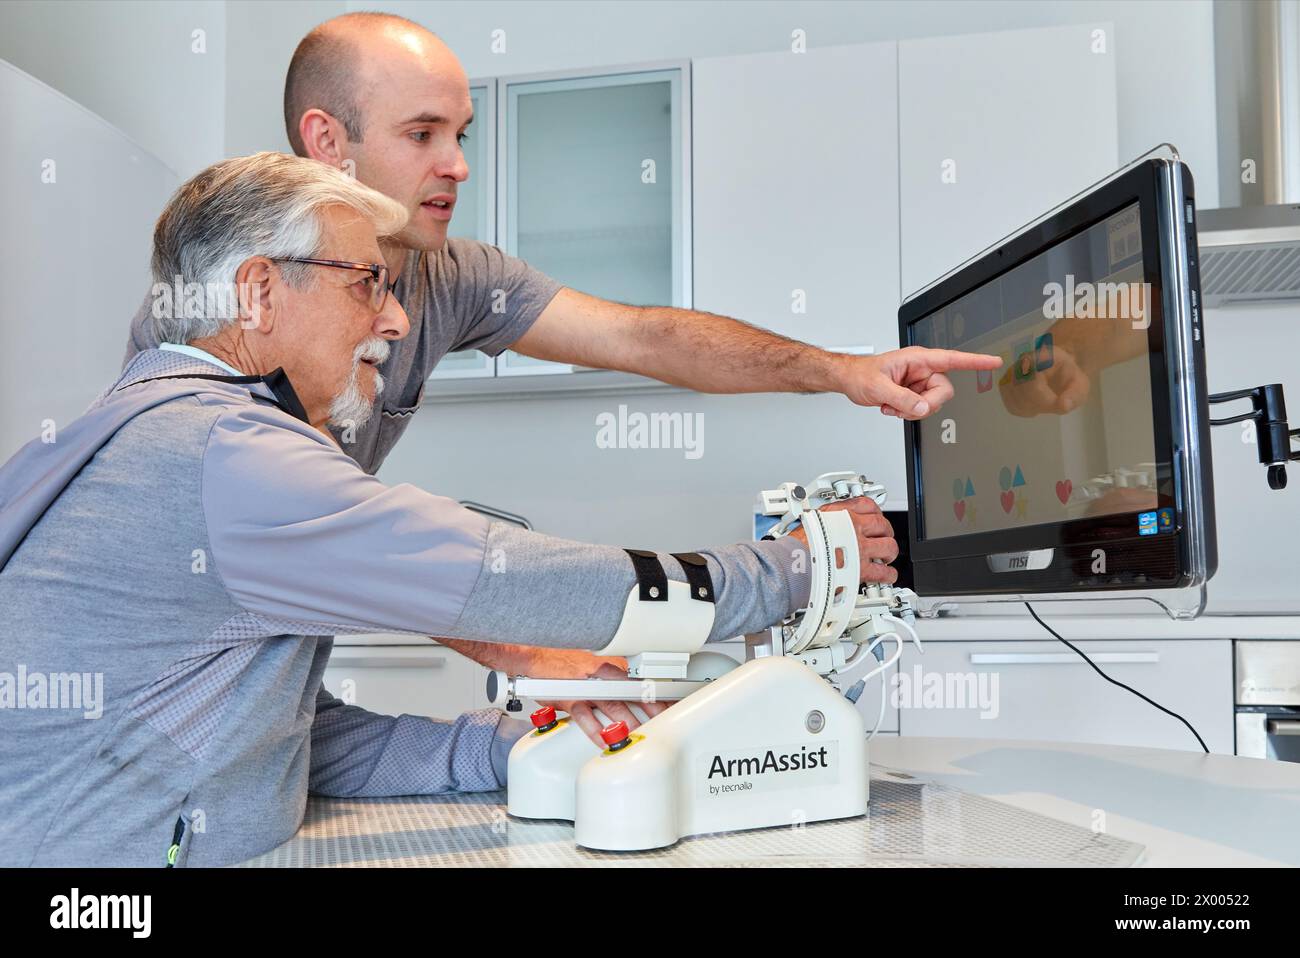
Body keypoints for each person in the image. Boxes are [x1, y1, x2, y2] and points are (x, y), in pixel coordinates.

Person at [0, 153, 909, 866]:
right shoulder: (226, 453)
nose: (395, 323)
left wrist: (503, 751)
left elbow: (274, 742)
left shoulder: (142, 426)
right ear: (258, 292)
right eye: (367, 283)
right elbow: (491, 574)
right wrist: (792, 568)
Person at [124, 11, 1001, 737]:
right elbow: (355, 545)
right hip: (181, 699)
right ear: (329, 142)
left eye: (461, 135)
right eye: (422, 133)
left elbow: (643, 337)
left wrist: (839, 371)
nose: (458, 164)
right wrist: (527, 643)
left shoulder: (451, 275)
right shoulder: (238, 313)